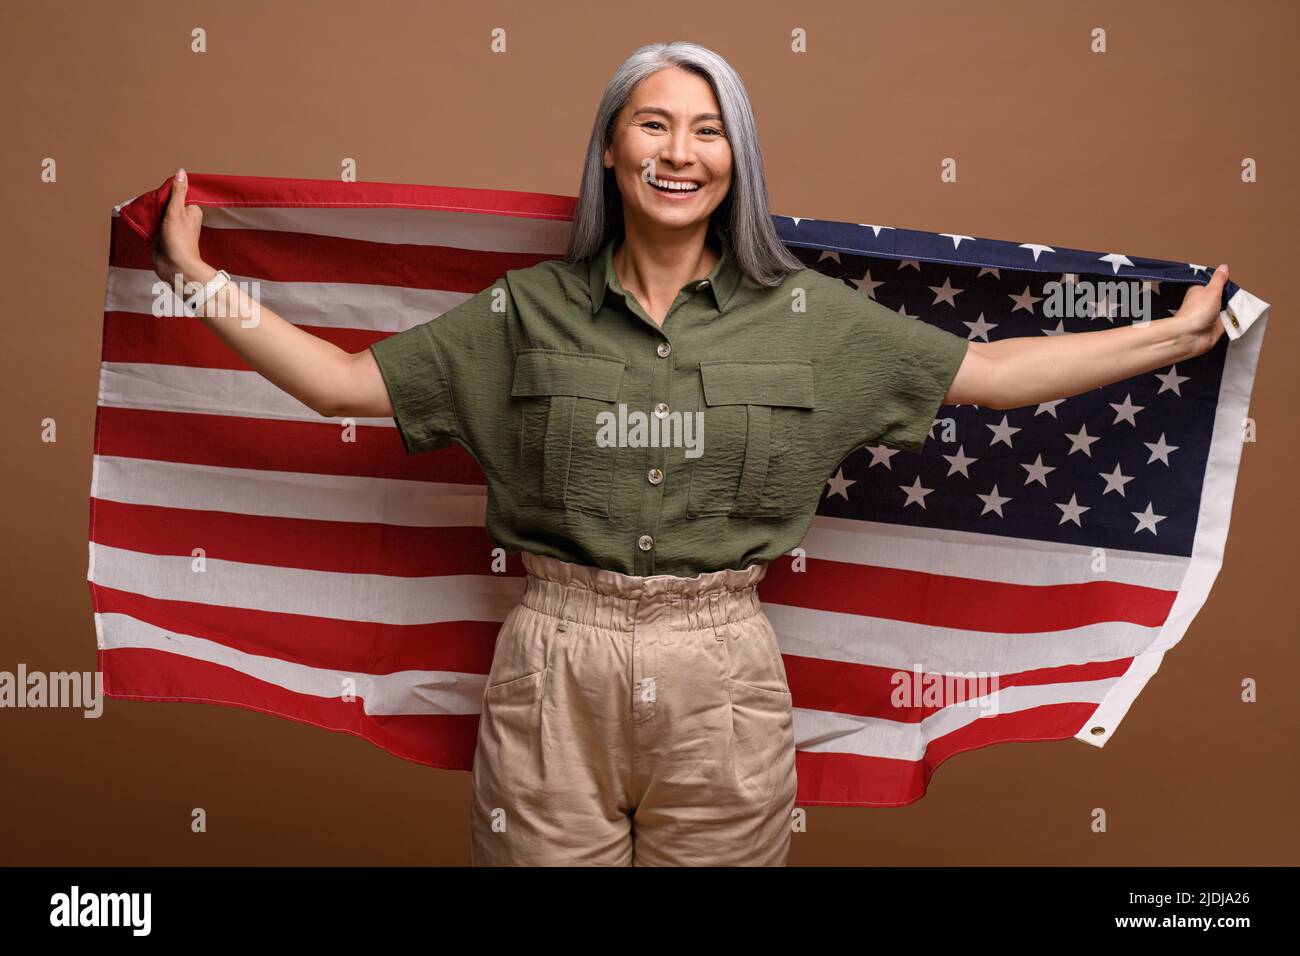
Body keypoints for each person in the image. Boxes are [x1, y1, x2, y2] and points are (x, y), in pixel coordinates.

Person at [150, 41, 1230, 867]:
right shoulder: (523, 311)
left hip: (722, 667)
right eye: (653, 126)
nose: (679, 153)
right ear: (611, 150)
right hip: (549, 666)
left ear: (736, 158)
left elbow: (987, 374)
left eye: (707, 130)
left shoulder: (812, 317)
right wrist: (193, 274)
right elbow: (341, 382)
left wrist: (1170, 336)